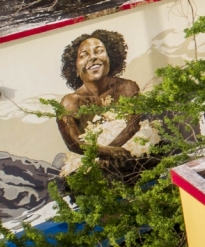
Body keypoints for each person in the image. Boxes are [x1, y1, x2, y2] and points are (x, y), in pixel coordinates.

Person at [57, 30, 144, 159]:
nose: (92, 58)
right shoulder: (70, 103)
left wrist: (111, 152)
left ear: (111, 58)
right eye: (83, 55)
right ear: (75, 68)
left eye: (98, 51)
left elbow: (133, 125)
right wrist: (108, 152)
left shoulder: (127, 88)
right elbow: (74, 144)